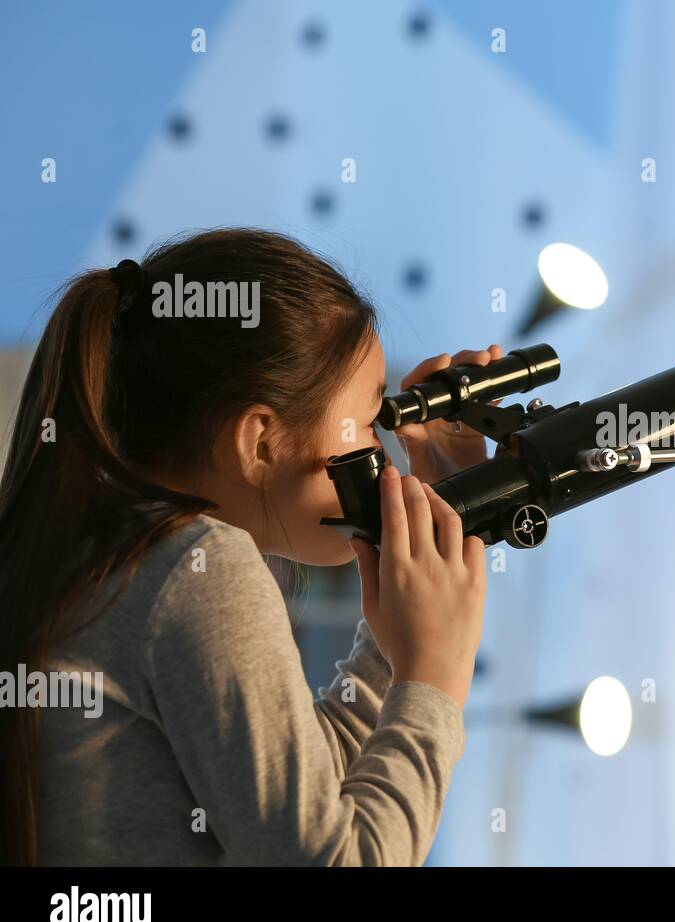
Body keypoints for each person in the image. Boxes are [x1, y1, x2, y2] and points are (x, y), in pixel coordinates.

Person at [0, 228, 494, 865]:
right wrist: (436, 674)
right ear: (260, 441)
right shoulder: (193, 568)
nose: (384, 459)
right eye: (371, 425)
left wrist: (408, 635)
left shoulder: (108, 554)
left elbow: (305, 799)